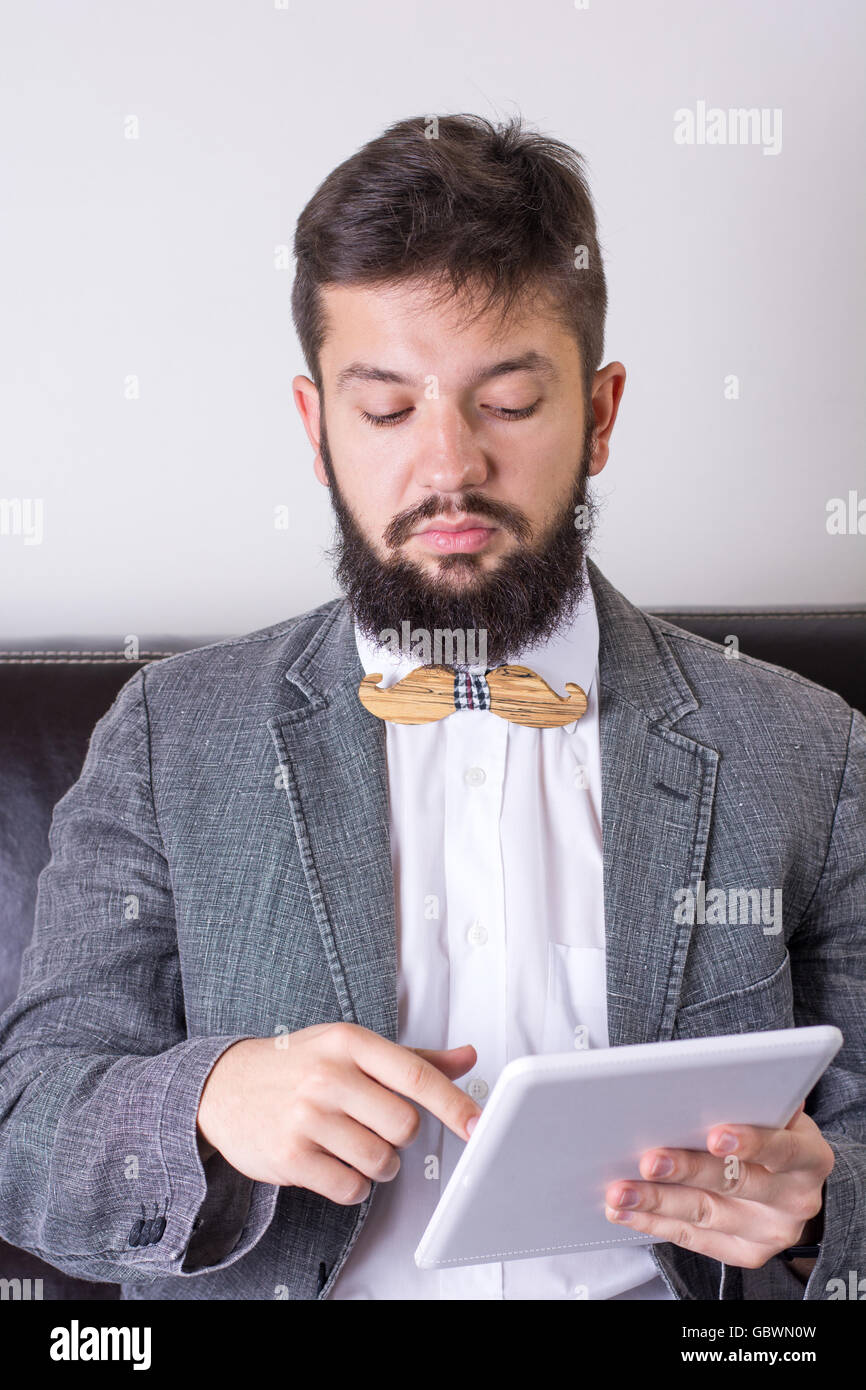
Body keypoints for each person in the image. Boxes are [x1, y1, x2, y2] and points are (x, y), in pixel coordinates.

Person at [0, 113, 862, 1301]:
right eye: (388, 410)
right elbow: (25, 1127)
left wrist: (819, 1204)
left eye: (506, 402)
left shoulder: (807, 747)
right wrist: (208, 1101)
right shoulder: (167, 734)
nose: (448, 466)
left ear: (599, 414)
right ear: (316, 429)